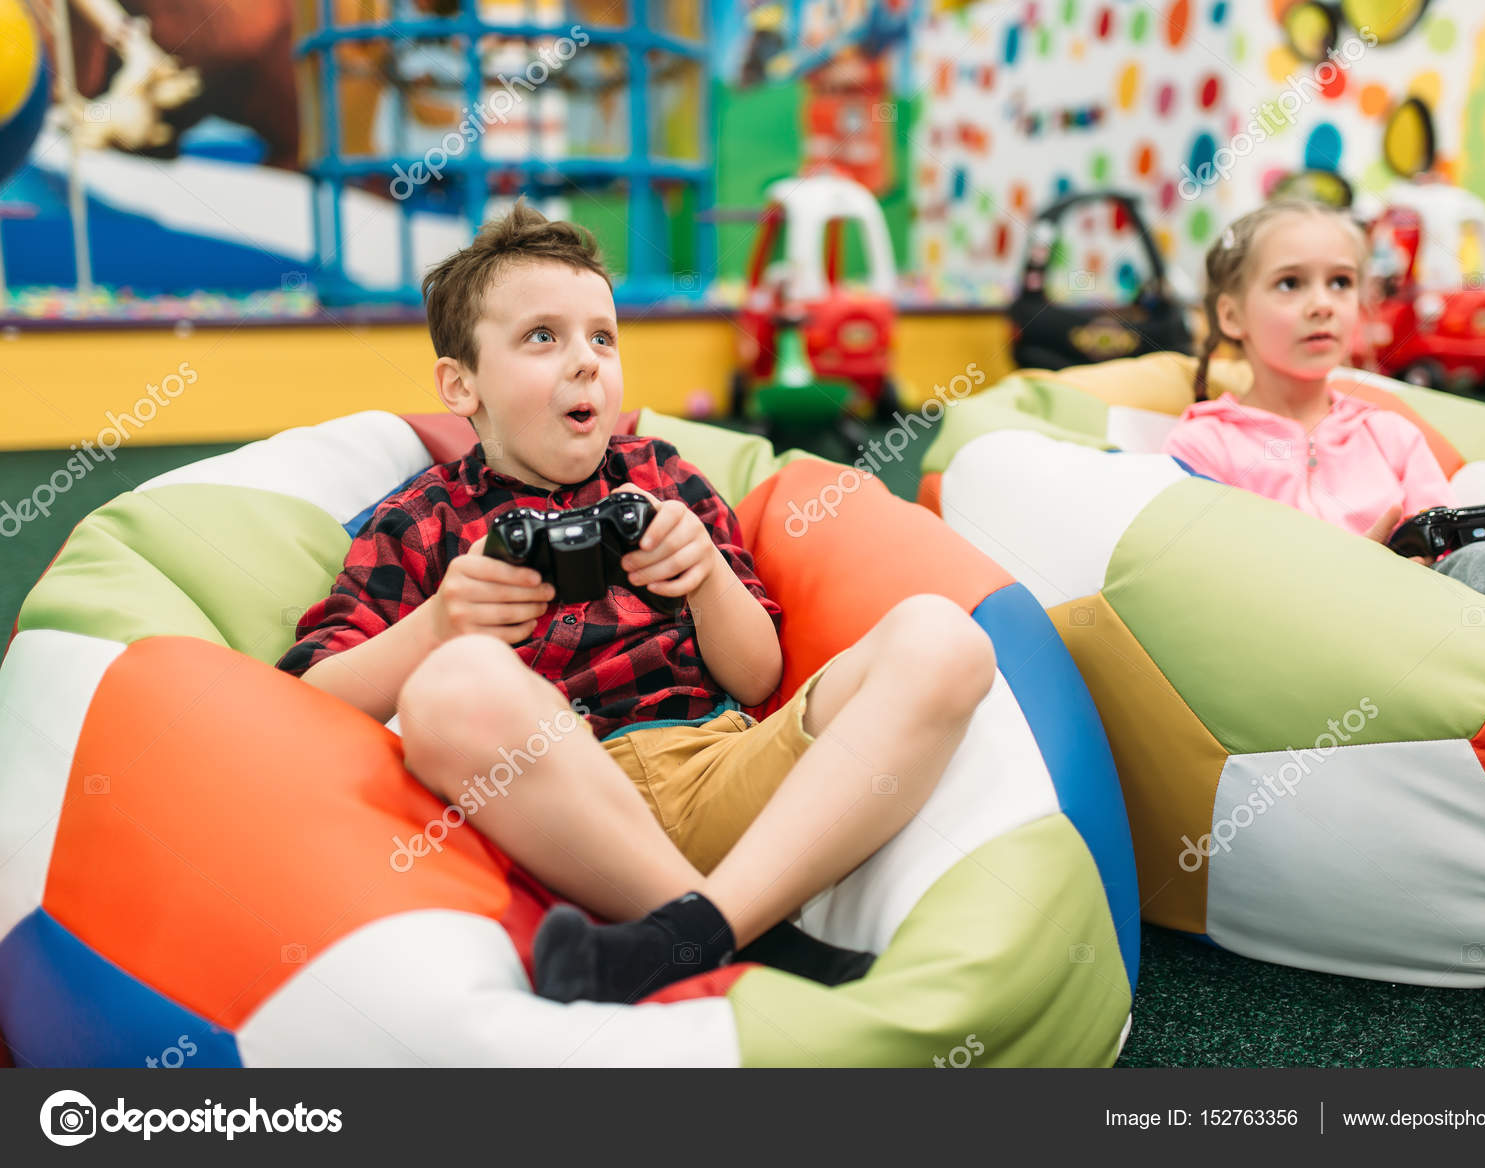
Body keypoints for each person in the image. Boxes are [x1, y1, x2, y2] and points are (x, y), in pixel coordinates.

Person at [277, 201, 996, 1003]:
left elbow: (759, 678)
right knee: (454, 686)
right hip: (558, 807)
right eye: (542, 337)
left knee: (945, 638)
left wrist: (707, 575)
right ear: (461, 383)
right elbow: (304, 703)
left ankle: (702, 935)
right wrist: (441, 624)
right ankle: (756, 942)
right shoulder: (422, 519)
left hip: (723, 767)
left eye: (603, 337)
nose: (585, 361)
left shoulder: (664, 479)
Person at [1162, 198, 1485, 670]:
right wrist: (1357, 570)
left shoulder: (1389, 432)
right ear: (1231, 316)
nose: (1322, 305)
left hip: (1448, 623)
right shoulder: (1202, 446)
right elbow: (1214, 588)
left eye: (1341, 283)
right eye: (1290, 283)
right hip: (1339, 645)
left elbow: (1453, 556)